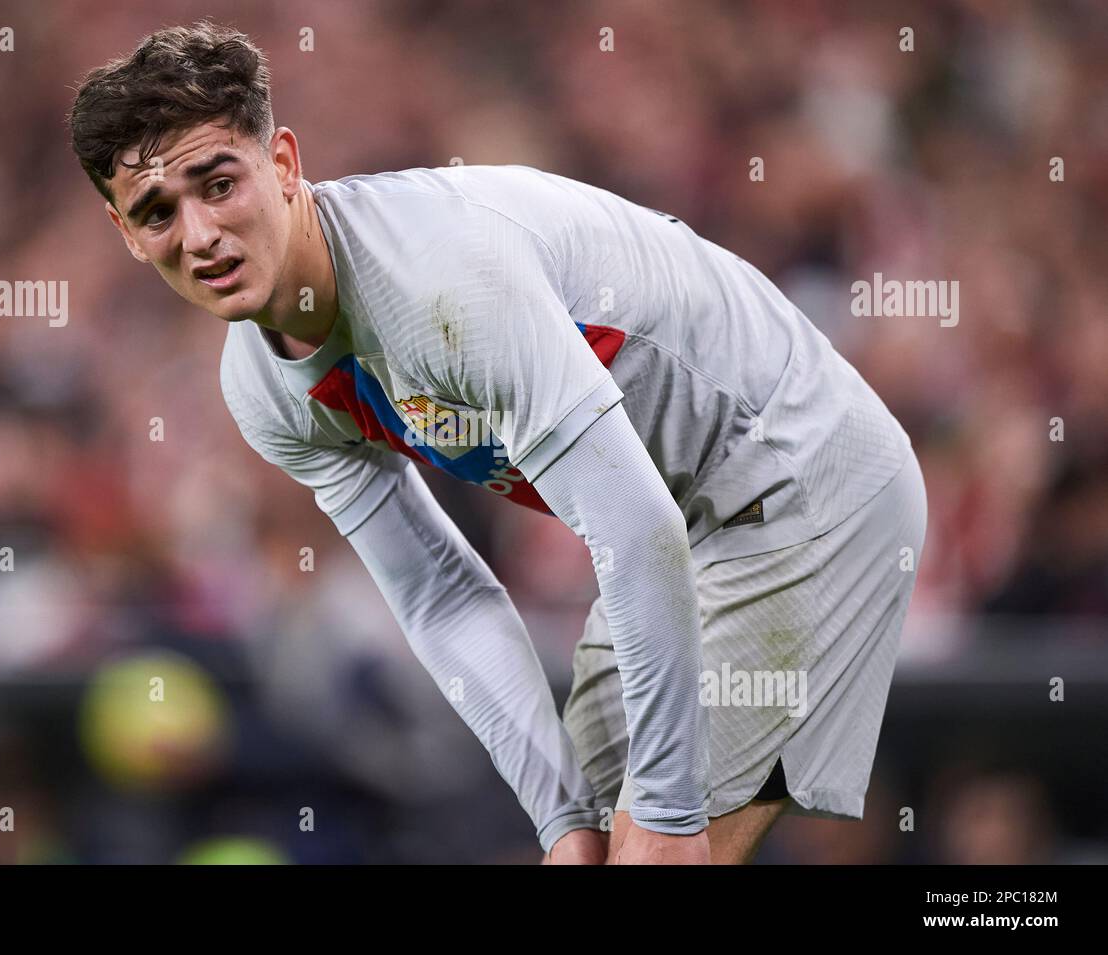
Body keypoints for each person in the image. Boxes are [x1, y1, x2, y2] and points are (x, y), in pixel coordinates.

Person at [67, 22, 928, 864]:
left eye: (219, 184)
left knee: (655, 850)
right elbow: (441, 595)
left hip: (804, 480)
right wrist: (559, 818)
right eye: (157, 212)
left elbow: (635, 530)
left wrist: (667, 811)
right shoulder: (263, 389)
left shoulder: (445, 279)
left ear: (284, 164)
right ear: (125, 233)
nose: (200, 235)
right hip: (681, 530)